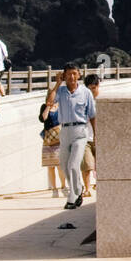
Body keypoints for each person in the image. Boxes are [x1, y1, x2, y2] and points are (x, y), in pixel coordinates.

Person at [46, 66, 95, 210]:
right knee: (64, 165)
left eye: (74, 74)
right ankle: (78, 189)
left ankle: (73, 197)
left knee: (73, 164)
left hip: (80, 130)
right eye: (68, 74)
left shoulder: (85, 92)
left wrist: (96, 135)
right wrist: (57, 83)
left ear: (79, 75)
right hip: (65, 130)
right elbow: (49, 102)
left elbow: (92, 115)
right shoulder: (60, 91)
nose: (72, 77)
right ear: (64, 76)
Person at [81, 73, 100, 197]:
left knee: (101, 164)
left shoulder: (104, 101)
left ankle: (100, 184)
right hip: (86, 137)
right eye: (89, 88)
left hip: (100, 138)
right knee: (86, 165)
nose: (92, 91)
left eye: (94, 88)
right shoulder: (82, 102)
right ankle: (87, 189)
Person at [39, 98, 63, 196]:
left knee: (60, 165)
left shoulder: (60, 106)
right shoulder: (44, 107)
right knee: (50, 166)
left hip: (59, 139)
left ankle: (63, 186)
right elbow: (42, 119)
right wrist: (48, 106)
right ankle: (54, 189)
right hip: (48, 140)